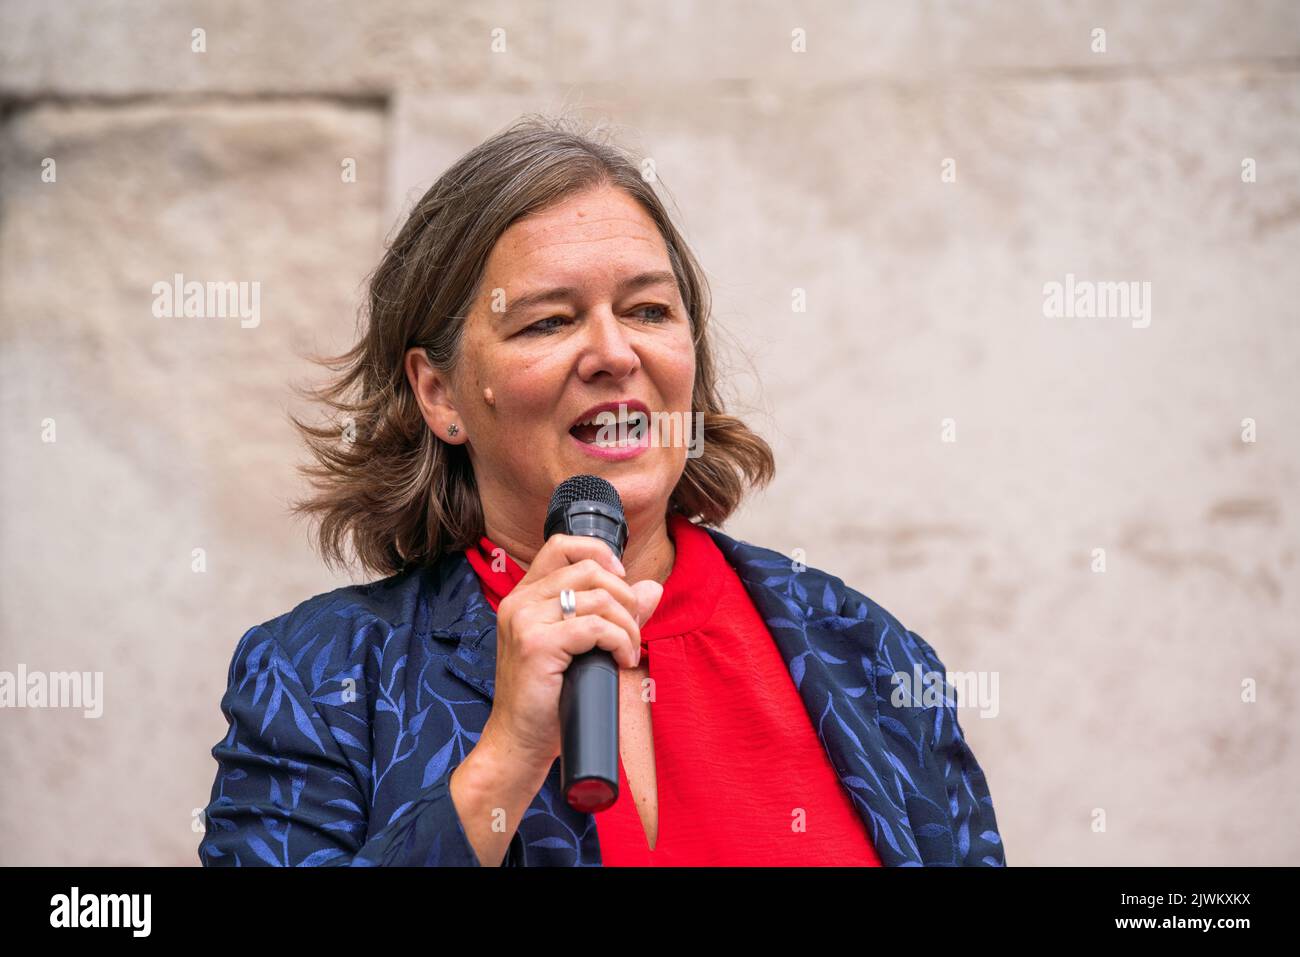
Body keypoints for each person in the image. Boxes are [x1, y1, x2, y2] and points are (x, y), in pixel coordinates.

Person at [198, 113, 1005, 867]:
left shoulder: (869, 656)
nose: (614, 352)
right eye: (548, 321)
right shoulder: (318, 678)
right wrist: (504, 762)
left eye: (648, 309)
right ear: (440, 393)